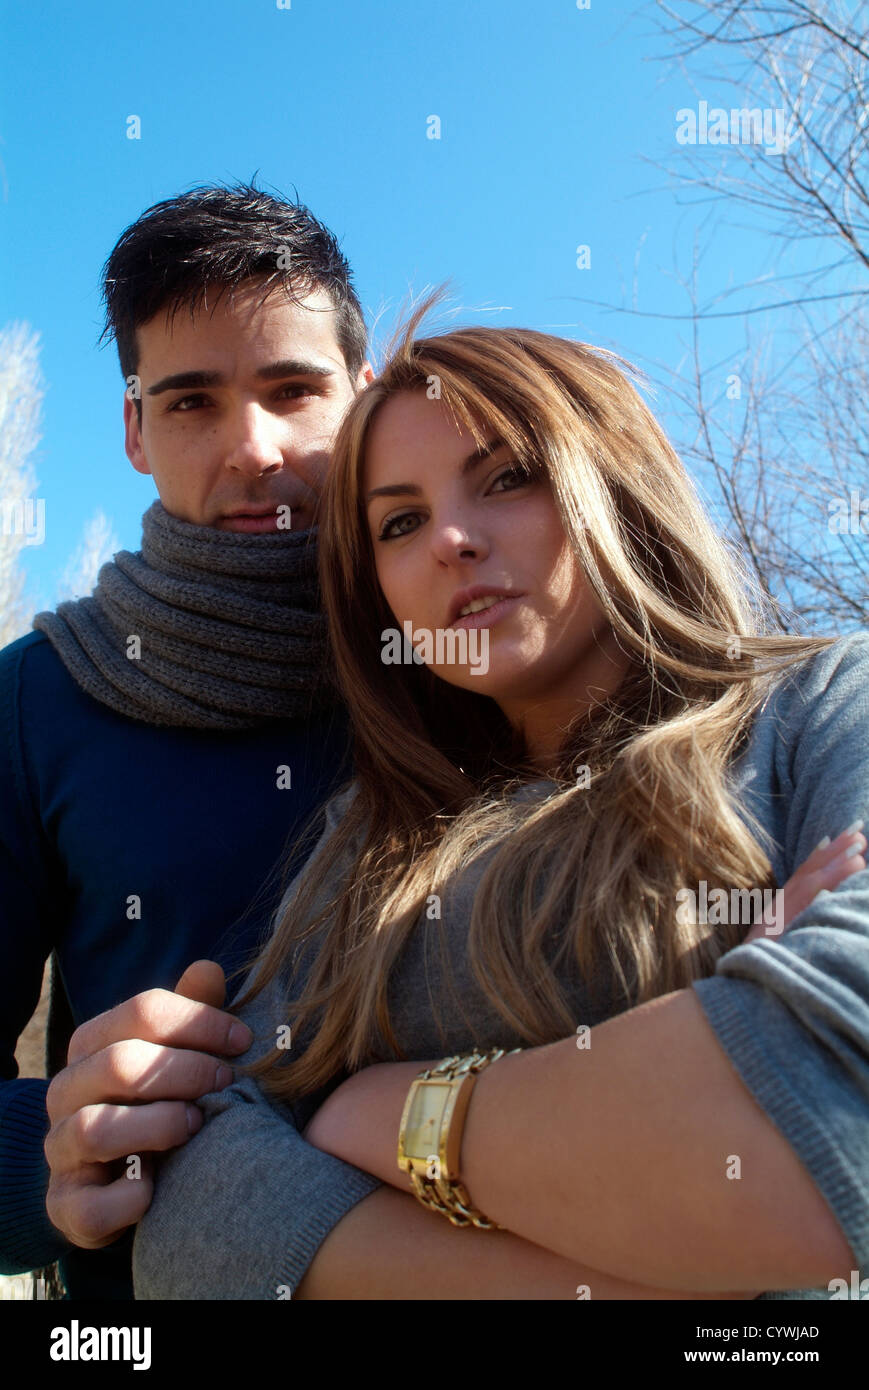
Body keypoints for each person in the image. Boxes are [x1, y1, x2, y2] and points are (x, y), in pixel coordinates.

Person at [131, 299, 869, 1300]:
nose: (449, 540)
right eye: (398, 521)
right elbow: (193, 1220)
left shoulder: (820, 710)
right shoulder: (370, 848)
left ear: (614, 479)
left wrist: (376, 1112)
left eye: (507, 478)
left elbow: (828, 1127)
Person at [0, 180, 375, 1300]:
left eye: (292, 390)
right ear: (133, 429)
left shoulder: (477, 661)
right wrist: (44, 1164)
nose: (252, 448)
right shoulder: (36, 698)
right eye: (192, 402)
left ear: (362, 399)